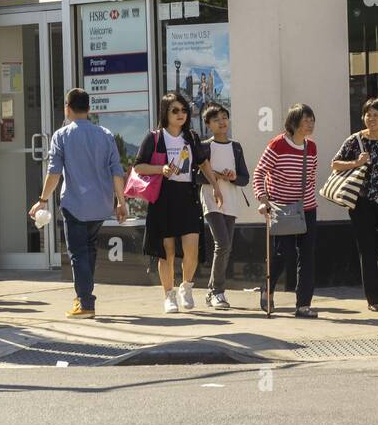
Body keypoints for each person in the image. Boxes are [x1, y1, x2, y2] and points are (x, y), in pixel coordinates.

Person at [29, 89, 128, 319]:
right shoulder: (105, 134)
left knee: (78, 253)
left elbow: (54, 172)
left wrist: (43, 200)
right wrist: (121, 202)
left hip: (75, 205)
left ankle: (85, 302)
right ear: (89, 109)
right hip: (101, 205)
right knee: (90, 251)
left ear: (68, 108)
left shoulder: (62, 135)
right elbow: (116, 171)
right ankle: (84, 296)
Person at [134, 92, 213, 314]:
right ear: (165, 113)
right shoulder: (155, 137)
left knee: (192, 249)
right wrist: (161, 169)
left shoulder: (192, 137)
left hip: (187, 197)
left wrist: (215, 186)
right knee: (166, 251)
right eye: (175, 110)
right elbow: (139, 166)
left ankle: (186, 287)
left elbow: (203, 163)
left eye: (184, 110)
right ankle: (168, 295)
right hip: (163, 198)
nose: (181, 114)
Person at [332, 98, 378, 313]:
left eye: (376, 115)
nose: (371, 119)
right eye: (368, 114)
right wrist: (356, 163)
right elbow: (334, 164)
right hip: (360, 202)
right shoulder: (355, 140)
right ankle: (374, 299)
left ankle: (377, 286)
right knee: (368, 250)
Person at [253, 104, 320, 318]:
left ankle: (303, 305)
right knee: (284, 253)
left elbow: (311, 176)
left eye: (312, 120)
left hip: (306, 207)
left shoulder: (312, 147)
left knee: (307, 256)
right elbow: (259, 172)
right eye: (305, 119)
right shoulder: (278, 144)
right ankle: (268, 288)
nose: (310, 124)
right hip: (281, 208)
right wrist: (263, 199)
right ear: (293, 122)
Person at [199, 104, 249, 311]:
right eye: (216, 119)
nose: (222, 122)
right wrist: (218, 175)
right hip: (211, 199)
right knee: (223, 243)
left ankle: (213, 290)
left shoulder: (236, 146)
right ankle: (217, 291)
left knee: (226, 246)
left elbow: (245, 178)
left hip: (230, 200)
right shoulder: (205, 147)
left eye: (224, 117)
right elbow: (197, 176)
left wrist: (234, 176)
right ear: (208, 125)